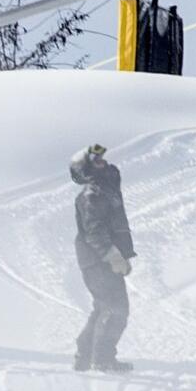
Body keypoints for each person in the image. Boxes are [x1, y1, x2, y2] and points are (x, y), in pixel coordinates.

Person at [69, 144, 135, 372]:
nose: (104, 163)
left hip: (98, 261)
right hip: (98, 261)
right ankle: (103, 359)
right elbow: (94, 232)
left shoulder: (103, 189)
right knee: (117, 309)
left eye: (102, 159)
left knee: (103, 308)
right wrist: (113, 256)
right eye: (96, 161)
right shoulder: (92, 195)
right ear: (87, 169)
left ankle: (85, 355)